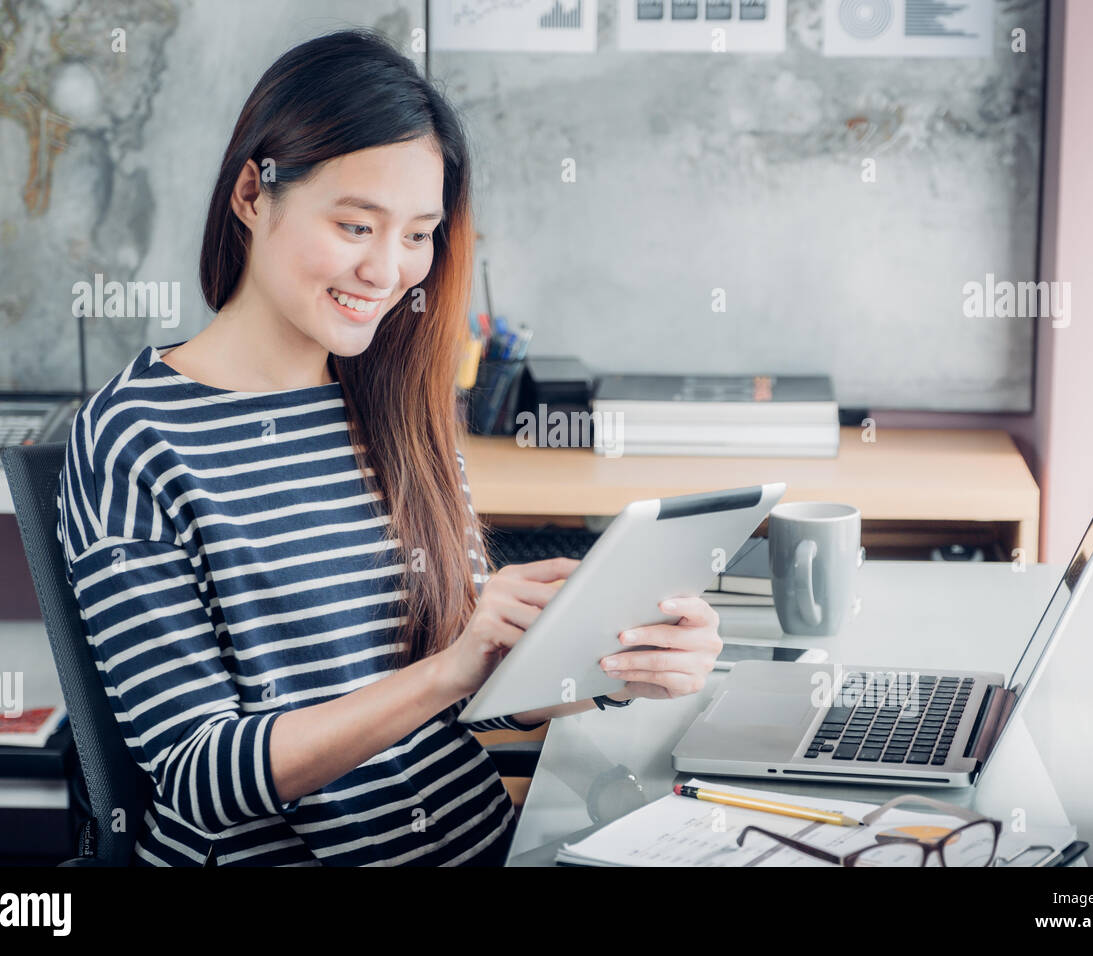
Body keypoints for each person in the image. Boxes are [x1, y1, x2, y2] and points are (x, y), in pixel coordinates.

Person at [56, 27, 722, 866]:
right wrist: (452, 669)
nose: (389, 269)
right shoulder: (134, 437)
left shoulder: (397, 402)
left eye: (417, 234)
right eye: (355, 225)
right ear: (253, 196)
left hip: (477, 846)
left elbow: (484, 683)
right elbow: (199, 776)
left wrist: (618, 666)